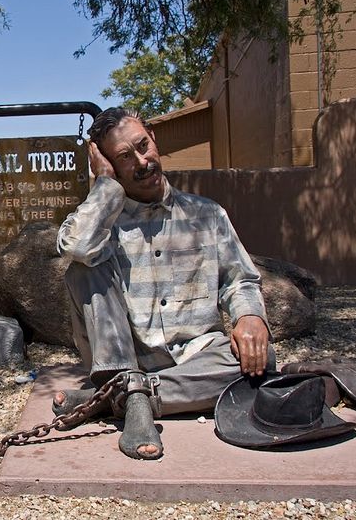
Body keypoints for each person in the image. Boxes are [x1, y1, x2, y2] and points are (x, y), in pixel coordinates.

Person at [54, 107, 273, 460]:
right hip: (128, 357)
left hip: (198, 359)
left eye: (143, 145)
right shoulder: (100, 223)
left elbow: (240, 280)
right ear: (108, 165)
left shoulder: (208, 214)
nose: (142, 161)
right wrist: (106, 187)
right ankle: (125, 383)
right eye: (125, 157)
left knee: (262, 359)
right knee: (83, 269)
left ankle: (125, 397)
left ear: (153, 138)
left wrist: (250, 317)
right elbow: (77, 247)